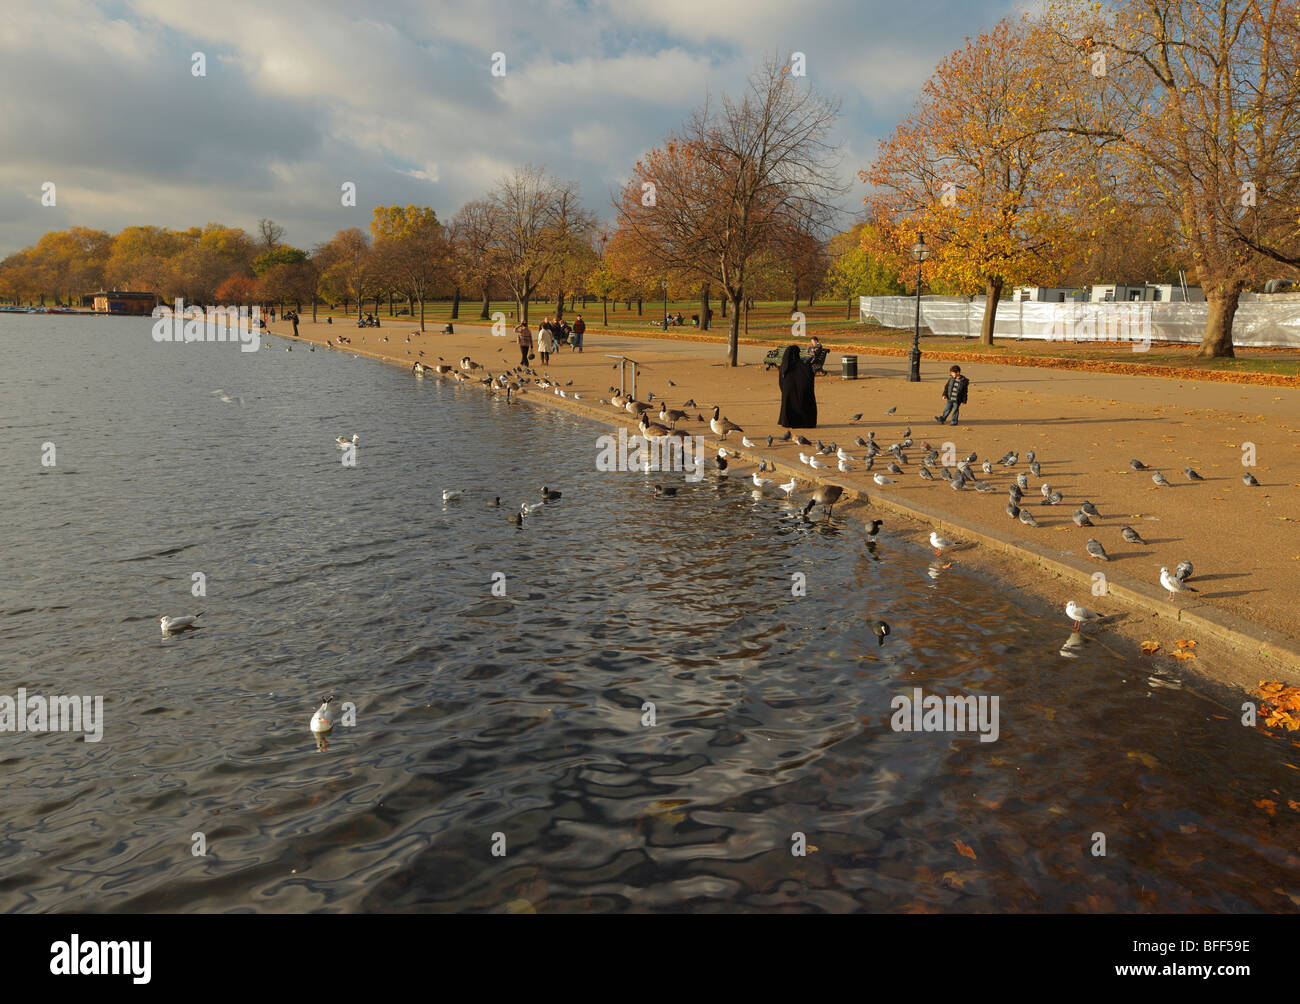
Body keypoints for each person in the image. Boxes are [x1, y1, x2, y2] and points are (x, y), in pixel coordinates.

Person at [778, 344, 817, 428]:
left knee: (788, 403)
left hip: (787, 391)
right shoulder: (803, 366)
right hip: (802, 392)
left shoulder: (784, 367)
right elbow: (809, 379)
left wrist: (784, 391)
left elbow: (781, 382)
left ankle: (786, 421)